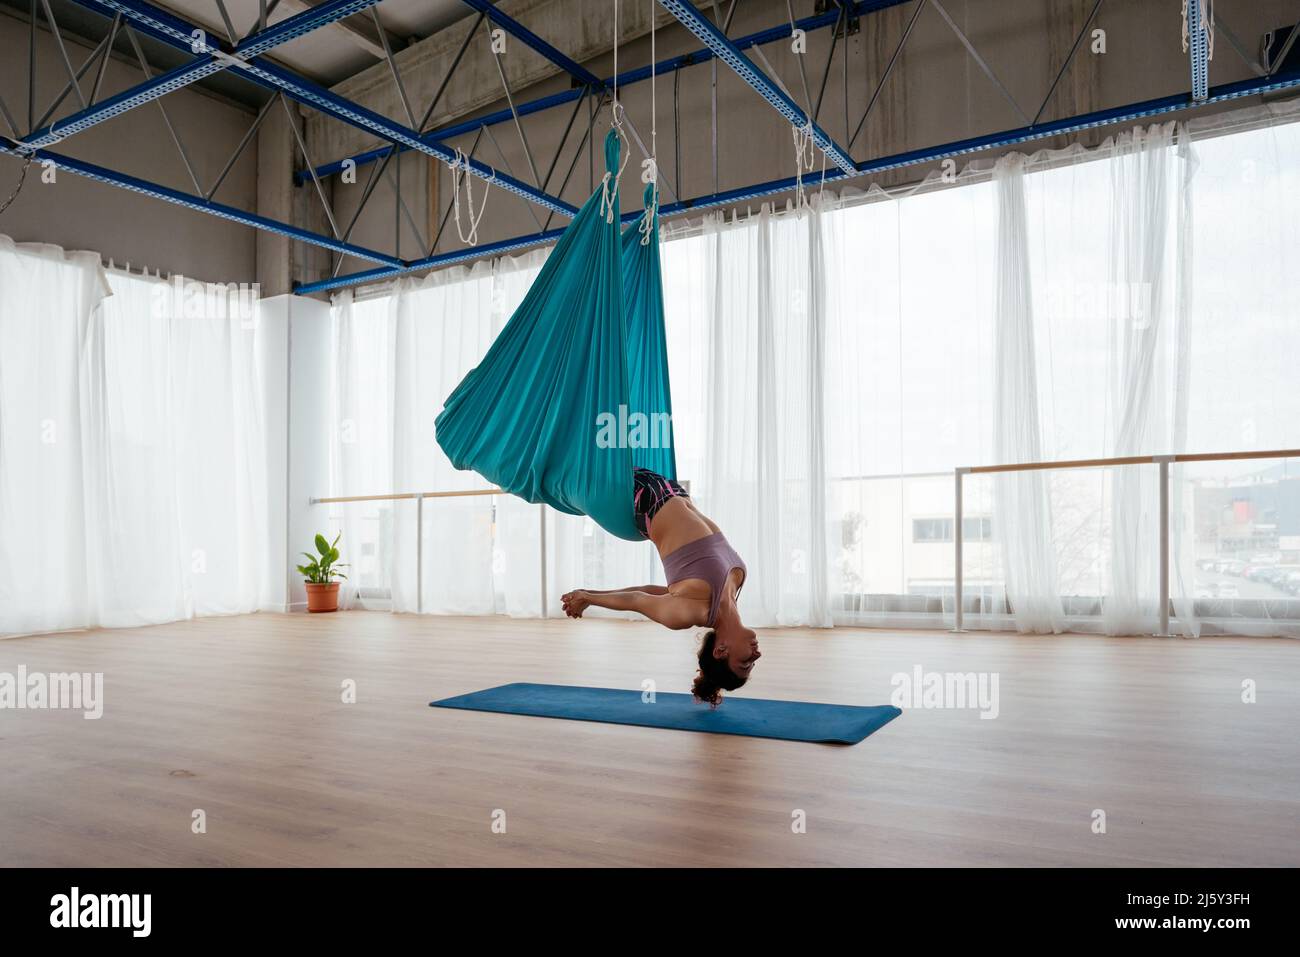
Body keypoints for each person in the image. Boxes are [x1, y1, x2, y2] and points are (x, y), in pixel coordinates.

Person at [561, 467, 759, 706]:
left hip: (641, 497)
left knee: (581, 454)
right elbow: (650, 590)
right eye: (751, 664)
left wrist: (588, 598)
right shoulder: (732, 590)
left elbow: (638, 599)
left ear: (721, 651)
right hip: (668, 488)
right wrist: (589, 594)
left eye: (745, 662)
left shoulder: (691, 612)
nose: (756, 655)